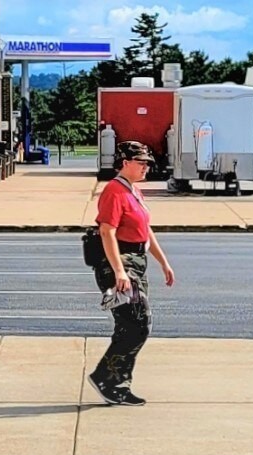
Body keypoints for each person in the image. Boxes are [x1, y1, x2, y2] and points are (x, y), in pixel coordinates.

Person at [87, 141, 175, 406]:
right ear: (125, 163)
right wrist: (119, 272)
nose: (146, 166)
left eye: (147, 162)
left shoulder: (133, 191)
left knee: (135, 325)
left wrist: (163, 262)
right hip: (121, 262)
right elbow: (107, 231)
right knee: (136, 324)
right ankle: (108, 379)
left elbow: (145, 231)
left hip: (136, 260)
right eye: (141, 162)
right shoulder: (114, 191)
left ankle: (116, 383)